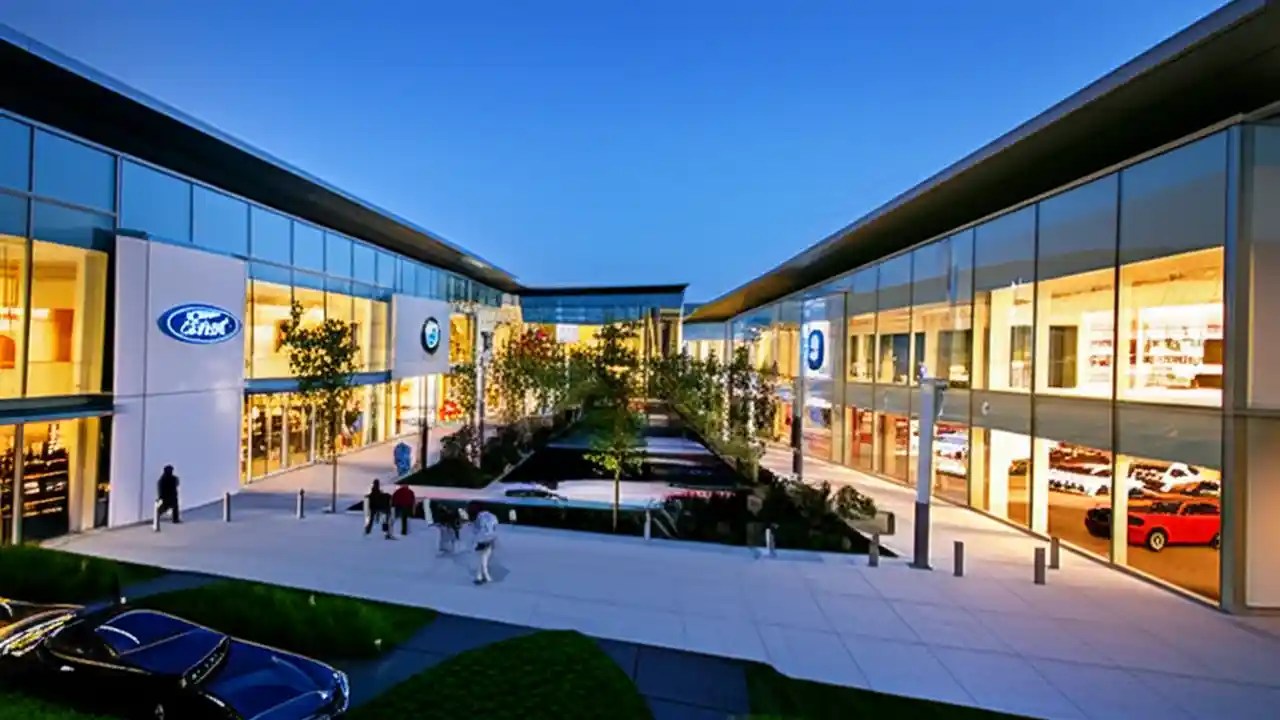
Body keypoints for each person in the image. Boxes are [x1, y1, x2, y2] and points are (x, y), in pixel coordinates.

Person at [467, 501, 499, 585]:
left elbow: (476, 529)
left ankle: (481, 577)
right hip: (491, 538)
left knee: (480, 559)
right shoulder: (493, 516)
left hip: (482, 539)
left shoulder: (479, 516)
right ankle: (485, 576)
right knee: (485, 558)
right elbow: (495, 526)